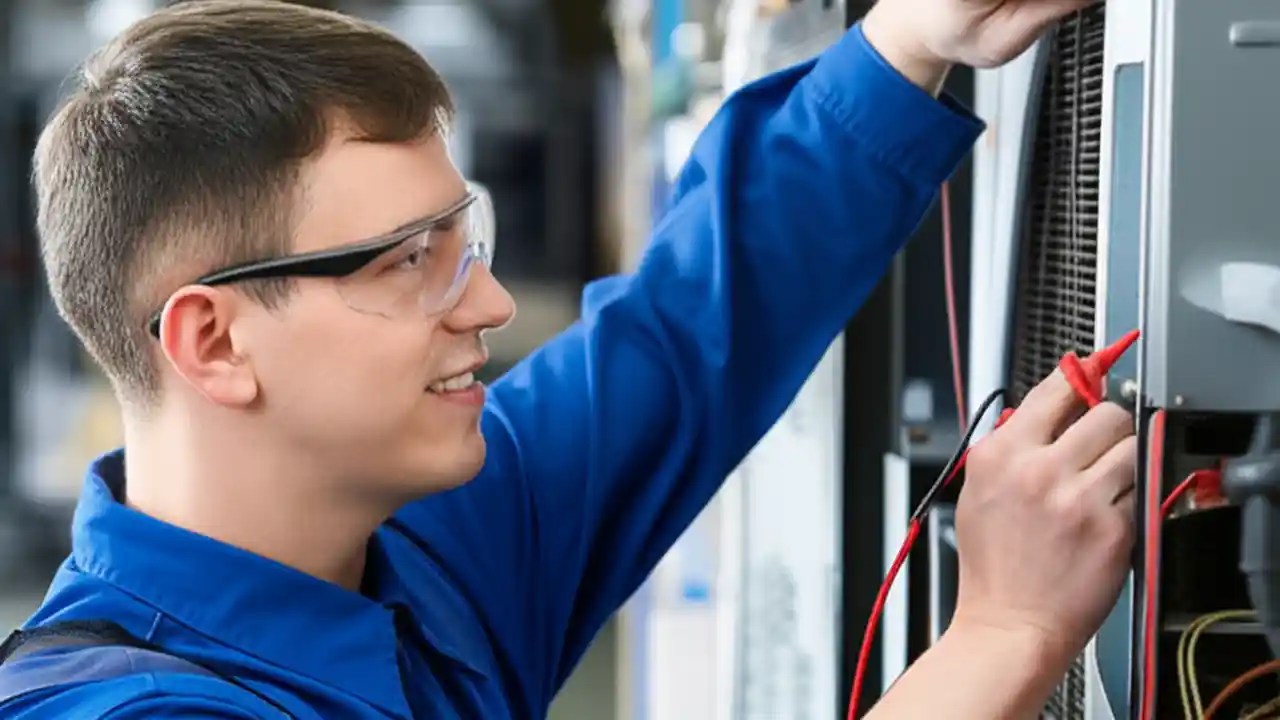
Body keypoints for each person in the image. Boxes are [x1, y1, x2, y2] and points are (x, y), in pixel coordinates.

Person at [0, 0, 1137, 717]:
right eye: (409, 262)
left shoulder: (421, 546)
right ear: (215, 341)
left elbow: (686, 332)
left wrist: (910, 36)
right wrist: (1003, 632)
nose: (488, 301)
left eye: (466, 240)